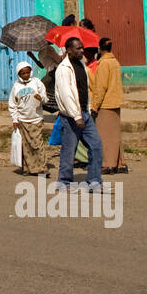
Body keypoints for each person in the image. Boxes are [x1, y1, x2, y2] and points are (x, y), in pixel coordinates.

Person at [53, 36, 104, 191]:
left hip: (85, 113)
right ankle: (64, 181)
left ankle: (94, 180)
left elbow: (84, 89)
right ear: (69, 50)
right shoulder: (63, 69)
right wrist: (76, 116)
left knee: (96, 145)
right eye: (78, 48)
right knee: (69, 149)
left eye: (82, 47)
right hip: (71, 116)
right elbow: (66, 94)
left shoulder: (81, 64)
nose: (82, 50)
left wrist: (87, 110)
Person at [90, 37, 127, 174]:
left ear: (100, 49)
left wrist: (94, 106)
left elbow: (100, 87)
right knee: (115, 135)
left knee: (105, 137)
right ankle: (120, 163)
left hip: (105, 104)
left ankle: (108, 164)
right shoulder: (115, 62)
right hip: (115, 102)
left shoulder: (104, 64)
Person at [8, 61, 48, 175]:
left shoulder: (37, 83)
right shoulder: (16, 86)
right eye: (23, 73)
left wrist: (41, 98)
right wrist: (15, 119)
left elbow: (45, 99)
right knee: (25, 146)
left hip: (36, 119)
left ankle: (42, 167)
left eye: (27, 72)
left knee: (37, 144)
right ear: (18, 74)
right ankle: (28, 168)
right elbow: (12, 104)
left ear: (30, 72)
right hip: (22, 120)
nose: (25, 75)